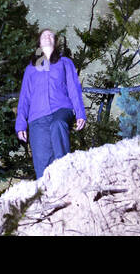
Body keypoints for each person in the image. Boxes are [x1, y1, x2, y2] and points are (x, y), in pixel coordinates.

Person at [15, 28, 87, 180]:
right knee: (42, 160)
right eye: (44, 35)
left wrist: (80, 113)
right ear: (39, 42)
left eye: (50, 35)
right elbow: (25, 97)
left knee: (58, 124)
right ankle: (48, 193)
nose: (47, 36)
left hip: (61, 108)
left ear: (55, 42)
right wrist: (21, 124)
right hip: (37, 117)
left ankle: (65, 172)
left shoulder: (65, 62)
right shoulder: (31, 69)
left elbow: (74, 89)